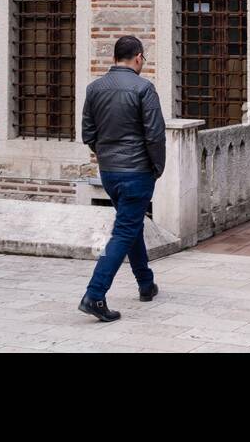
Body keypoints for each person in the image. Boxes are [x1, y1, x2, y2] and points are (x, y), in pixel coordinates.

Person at [78, 35, 166, 322]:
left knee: (131, 224)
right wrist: (157, 168)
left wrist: (106, 155)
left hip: (109, 172)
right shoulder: (144, 88)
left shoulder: (94, 88)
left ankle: (145, 283)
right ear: (138, 57)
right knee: (125, 231)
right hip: (137, 172)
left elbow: (88, 134)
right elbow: (155, 135)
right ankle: (95, 294)